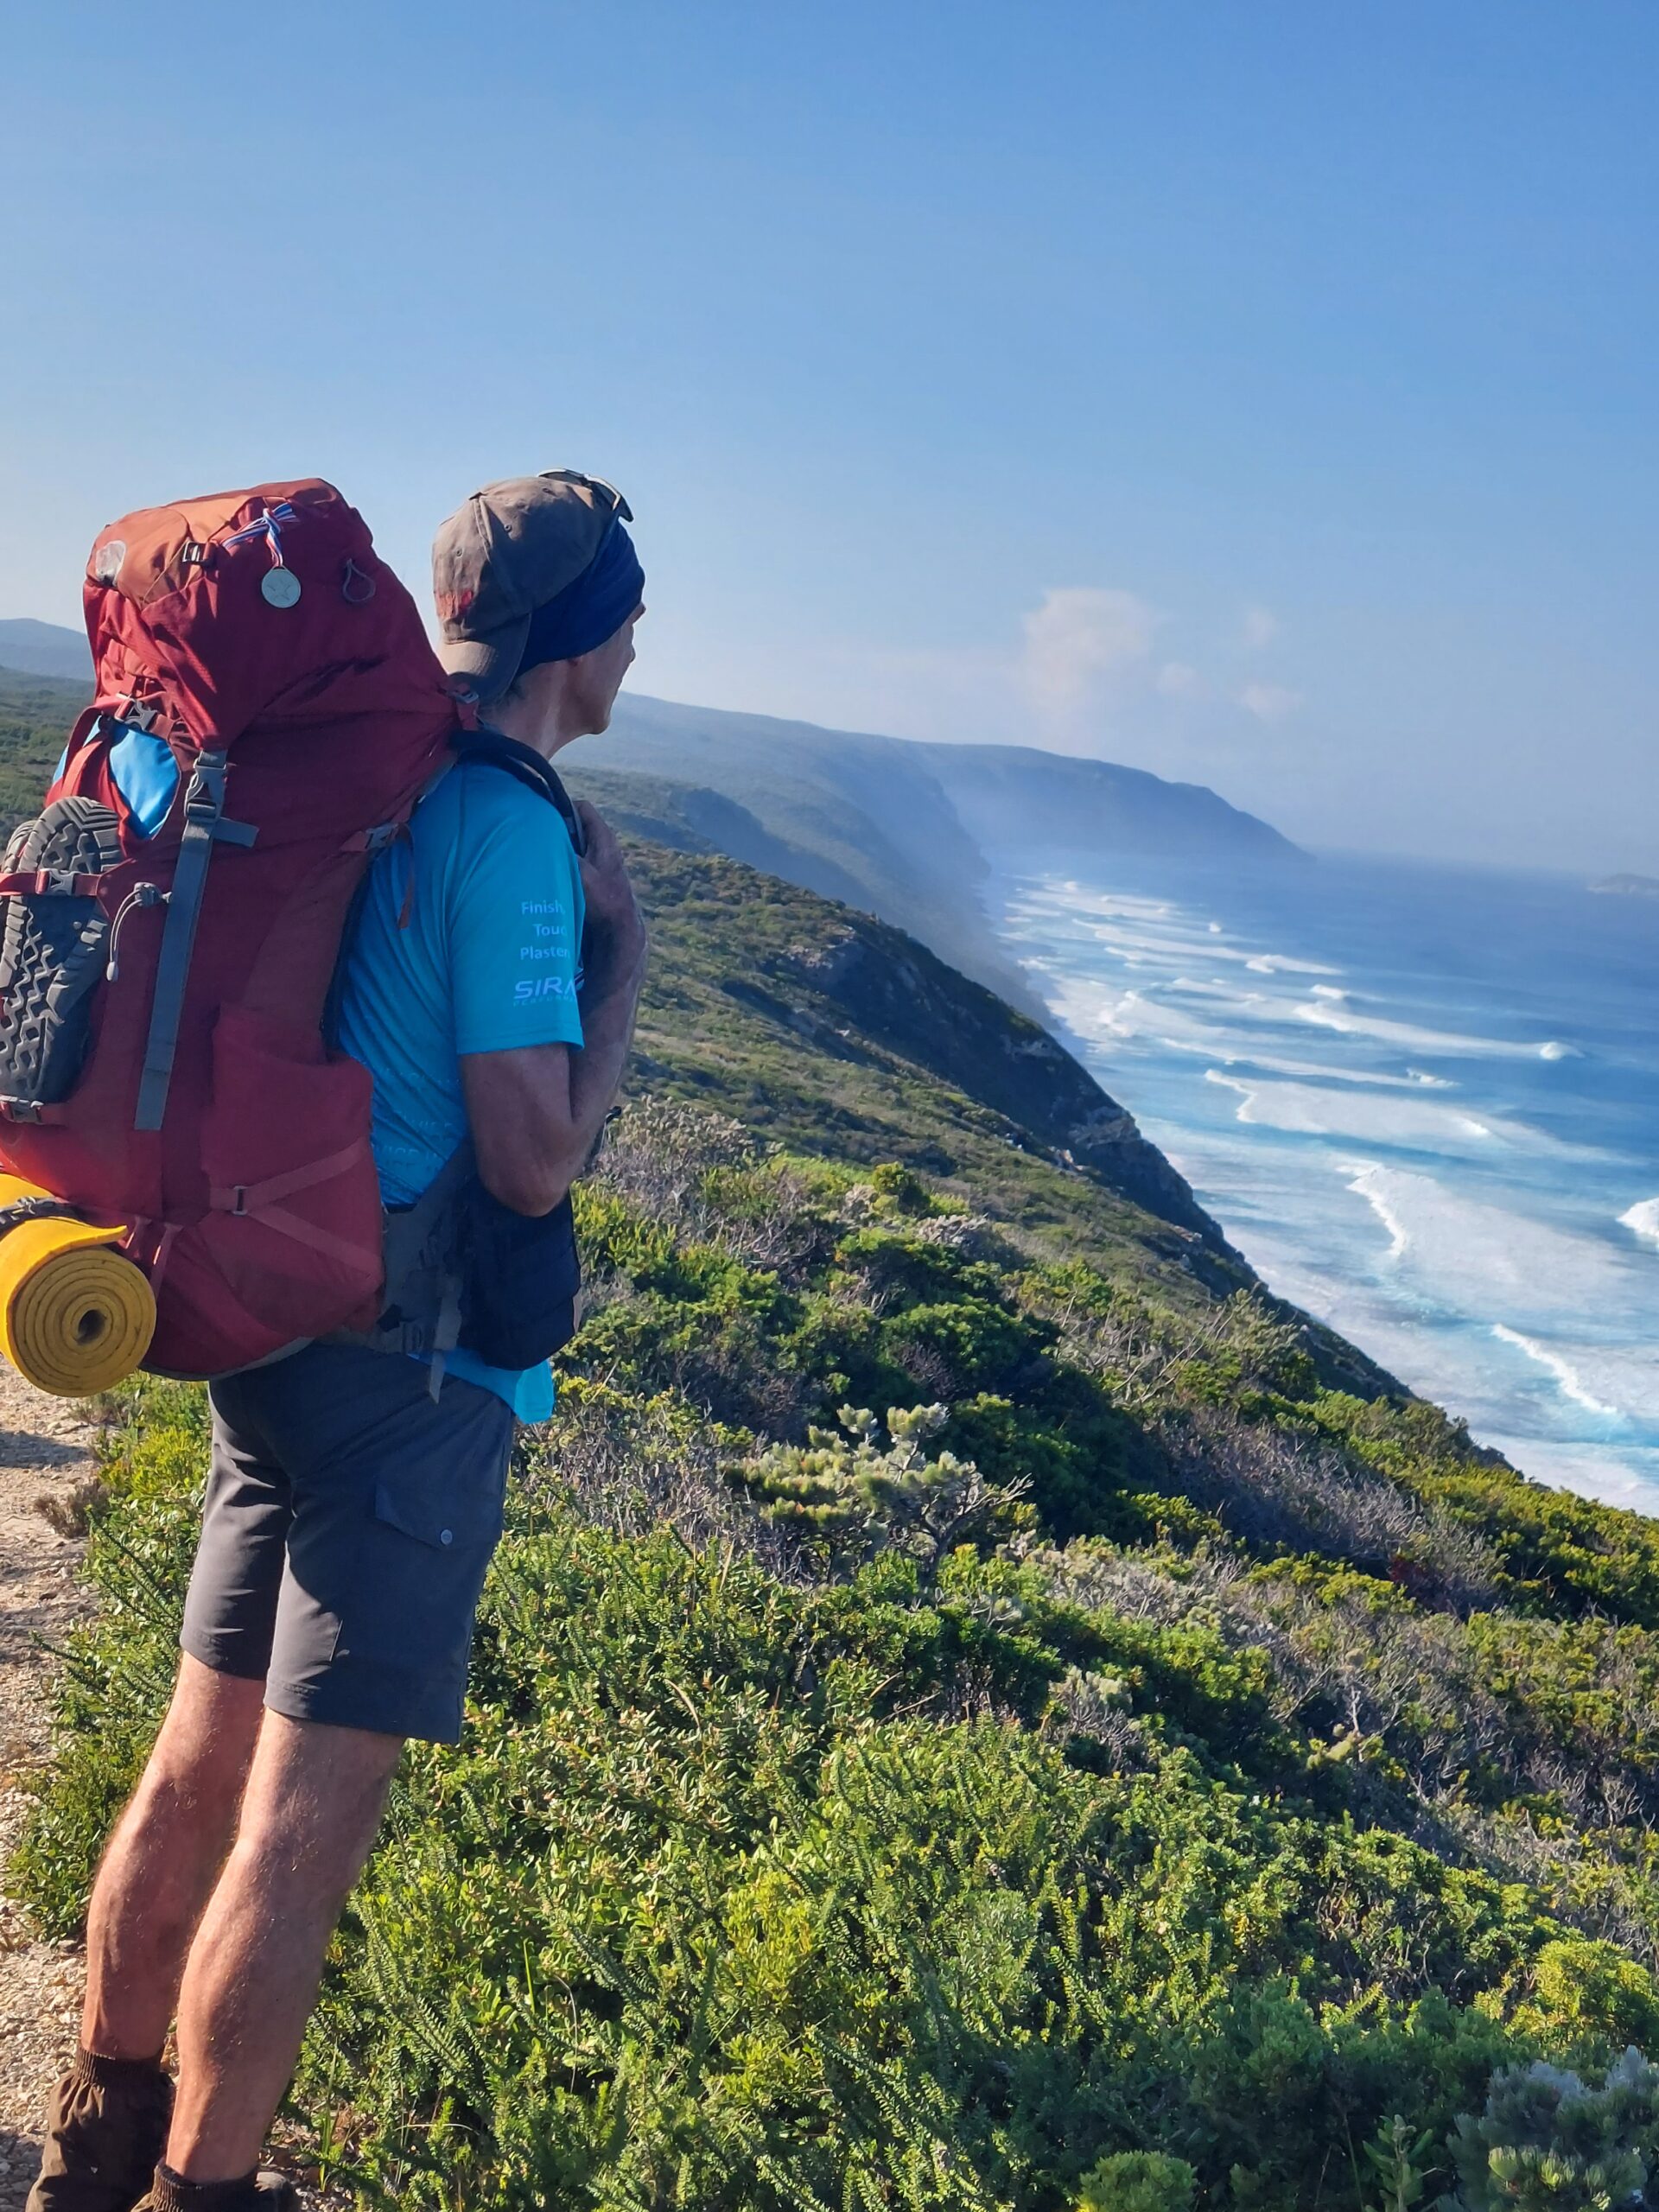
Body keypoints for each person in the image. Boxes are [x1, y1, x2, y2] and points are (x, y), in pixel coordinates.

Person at [29, 471, 650, 2212]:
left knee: (191, 1758)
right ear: (581, 632)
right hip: (414, 1373)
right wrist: (623, 976)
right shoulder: (505, 823)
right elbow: (528, 1157)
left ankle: (95, 2141)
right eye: (632, 608)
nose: (640, 641)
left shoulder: (365, 768)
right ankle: (200, 2193)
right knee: (298, 1832)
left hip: (274, 1317)